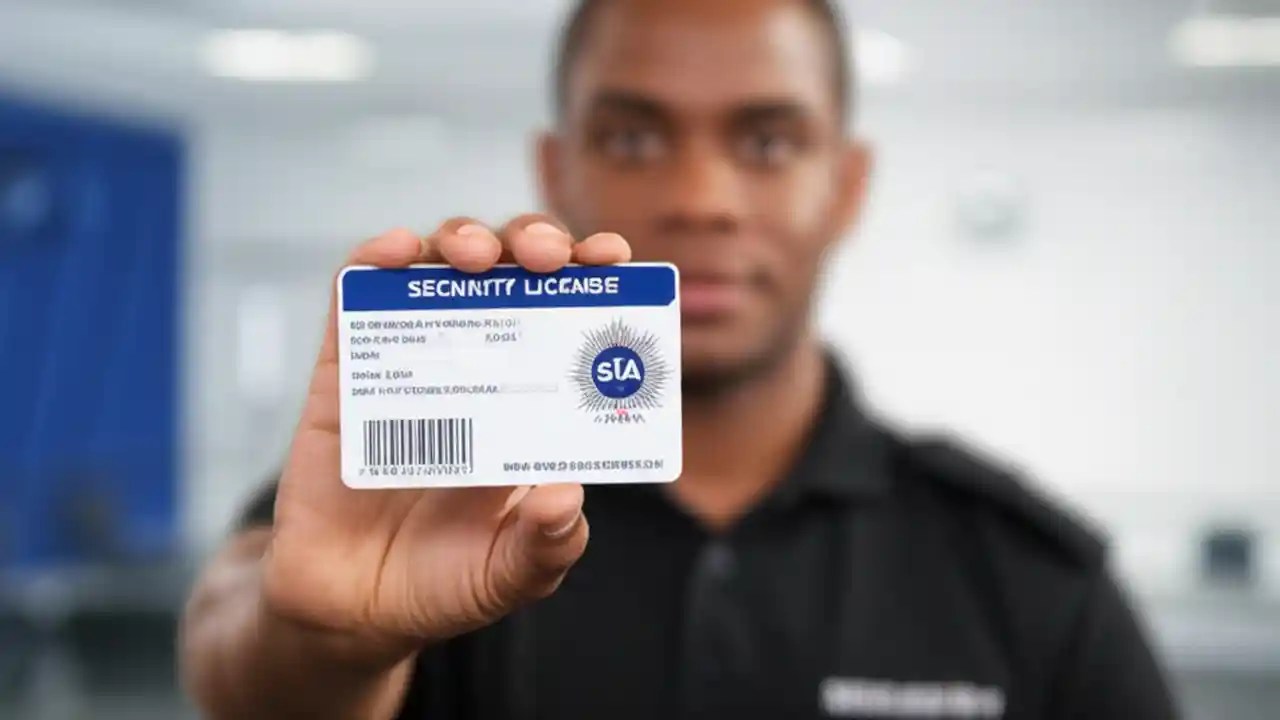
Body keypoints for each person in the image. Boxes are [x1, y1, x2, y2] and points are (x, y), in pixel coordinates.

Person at [180, 0, 1178, 718]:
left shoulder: (1024, 573)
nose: (700, 196)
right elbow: (231, 642)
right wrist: (330, 643)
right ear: (555, 170)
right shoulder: (429, 490)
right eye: (630, 135)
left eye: (767, 143)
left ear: (846, 185)